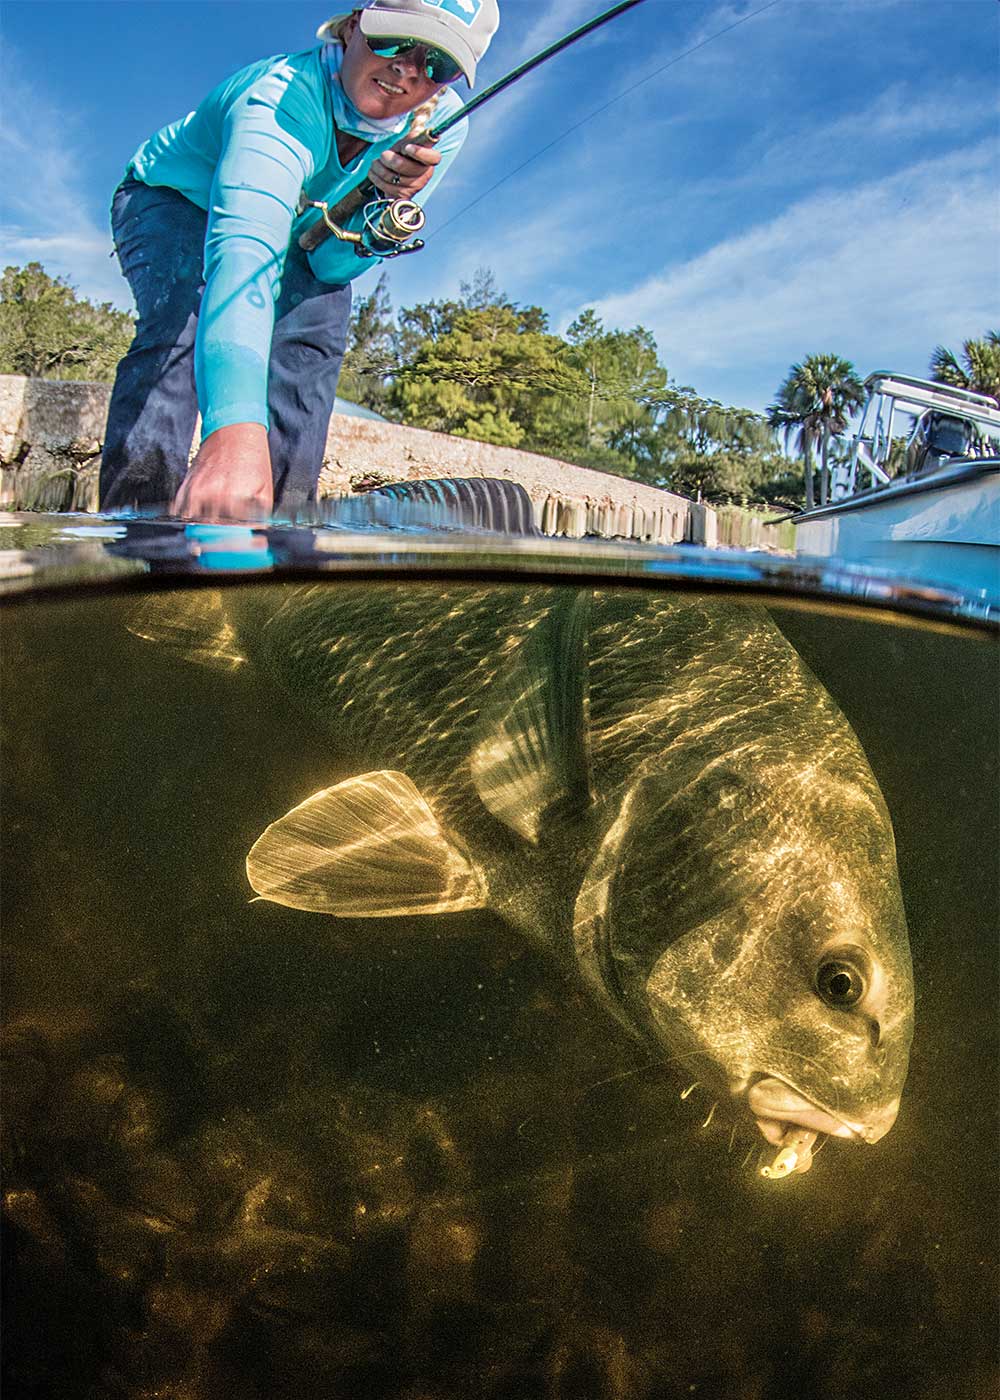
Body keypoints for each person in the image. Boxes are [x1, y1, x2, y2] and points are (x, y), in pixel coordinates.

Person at [100, 0, 500, 521]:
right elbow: (245, 255)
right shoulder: (279, 98)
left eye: (437, 64)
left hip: (297, 232)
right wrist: (234, 431)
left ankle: (278, 548)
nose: (407, 69)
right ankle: (135, 537)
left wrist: (381, 205)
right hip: (175, 199)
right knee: (185, 321)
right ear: (356, 25)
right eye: (395, 41)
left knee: (312, 344)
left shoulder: (446, 128)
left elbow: (330, 267)